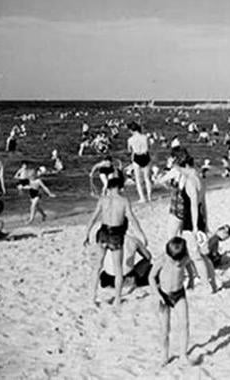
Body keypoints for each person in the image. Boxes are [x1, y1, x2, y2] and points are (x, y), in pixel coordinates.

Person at [83, 177, 147, 308]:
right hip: (116, 234)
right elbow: (132, 219)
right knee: (118, 270)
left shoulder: (103, 200)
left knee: (97, 267)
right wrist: (141, 234)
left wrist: (87, 234)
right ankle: (117, 299)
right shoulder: (123, 201)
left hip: (103, 232)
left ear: (109, 187)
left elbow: (93, 217)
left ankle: (92, 298)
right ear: (120, 188)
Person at [166, 148, 217, 293]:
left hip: (191, 221)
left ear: (185, 166)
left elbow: (194, 206)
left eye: (179, 167)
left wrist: (194, 227)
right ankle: (212, 283)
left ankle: (207, 286)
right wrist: (205, 223)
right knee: (202, 256)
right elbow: (203, 204)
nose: (178, 171)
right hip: (199, 219)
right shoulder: (199, 177)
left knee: (196, 257)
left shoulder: (190, 181)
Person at [150, 237, 196, 367]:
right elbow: (151, 277)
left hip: (179, 294)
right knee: (165, 329)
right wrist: (156, 293)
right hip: (164, 296)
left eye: (179, 260)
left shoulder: (185, 258)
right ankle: (164, 355)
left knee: (185, 324)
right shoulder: (162, 260)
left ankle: (183, 355)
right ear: (169, 255)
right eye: (174, 260)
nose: (177, 263)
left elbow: (189, 266)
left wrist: (191, 278)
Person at [127, 122, 153, 203]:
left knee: (138, 179)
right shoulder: (145, 137)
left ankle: (142, 198)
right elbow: (148, 147)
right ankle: (149, 197)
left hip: (137, 157)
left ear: (131, 130)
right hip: (146, 156)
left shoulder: (130, 140)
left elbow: (129, 150)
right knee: (147, 178)